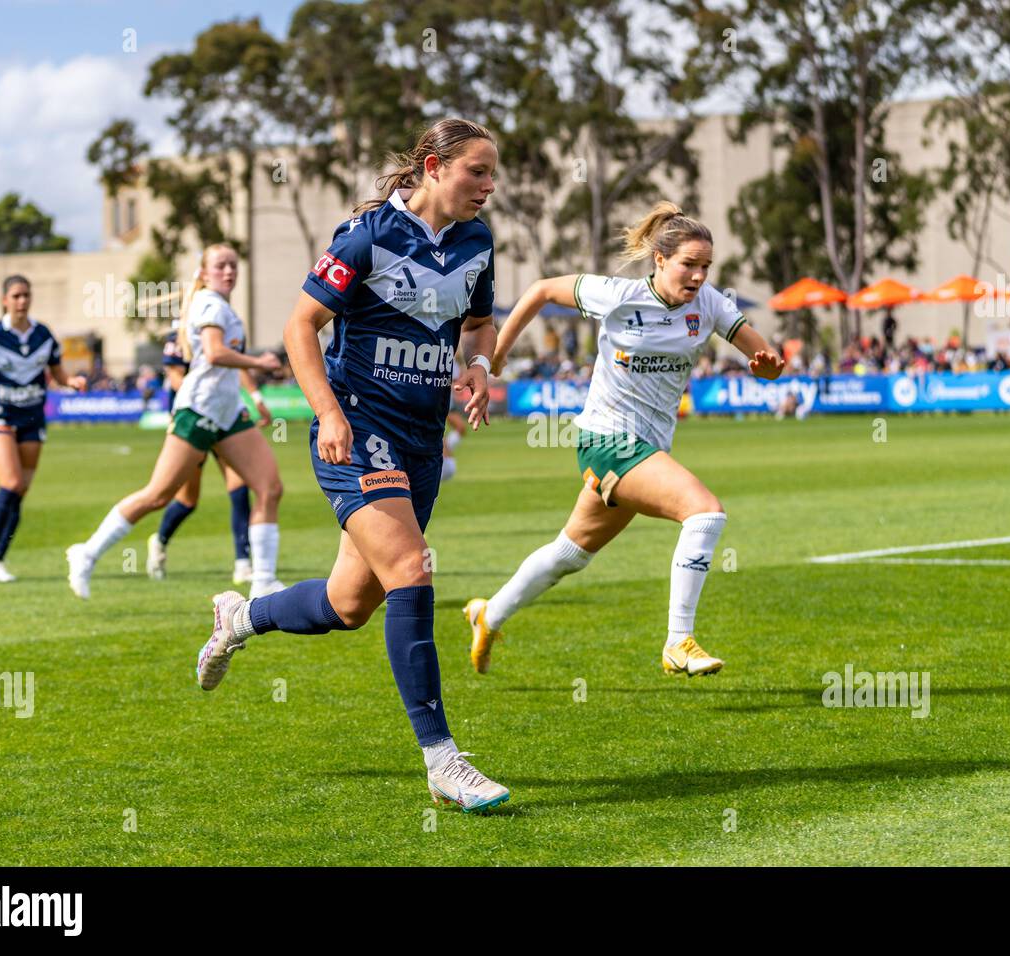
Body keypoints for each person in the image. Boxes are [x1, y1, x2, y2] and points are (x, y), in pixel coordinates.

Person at [192, 118, 510, 813]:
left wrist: (481, 365)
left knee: (349, 604)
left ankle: (240, 618)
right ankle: (443, 760)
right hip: (360, 430)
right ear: (433, 166)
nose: (488, 186)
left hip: (423, 440)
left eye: (492, 174)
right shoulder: (367, 236)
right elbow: (298, 326)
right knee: (411, 568)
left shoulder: (478, 242)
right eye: (476, 172)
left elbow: (481, 322)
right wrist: (329, 413)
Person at [463, 200, 784, 678]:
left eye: (705, 267)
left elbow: (765, 356)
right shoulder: (616, 295)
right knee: (705, 512)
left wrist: (770, 366)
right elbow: (540, 290)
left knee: (569, 555)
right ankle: (679, 642)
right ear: (659, 259)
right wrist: (497, 359)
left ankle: (488, 615)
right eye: (688, 265)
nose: (697, 276)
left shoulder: (709, 303)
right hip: (607, 439)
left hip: (647, 449)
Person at [65, 244, 285, 599]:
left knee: (269, 487)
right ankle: (86, 554)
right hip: (198, 409)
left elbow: (224, 360)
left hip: (227, 412)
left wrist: (253, 389)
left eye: (232, 265)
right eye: (220, 266)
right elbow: (214, 353)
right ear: (203, 272)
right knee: (157, 495)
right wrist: (259, 362)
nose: (228, 271)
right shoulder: (211, 303)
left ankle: (262, 579)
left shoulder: (219, 305)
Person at [0, 275, 86, 582]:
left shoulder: (43, 334)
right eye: (16, 296)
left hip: (32, 418)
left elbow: (56, 372)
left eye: (26, 295)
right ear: (5, 300)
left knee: (21, 491)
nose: (22, 301)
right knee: (12, 482)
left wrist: (71, 381)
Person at [146, 322, 272, 584]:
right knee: (187, 499)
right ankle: (159, 541)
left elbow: (236, 368)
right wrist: (206, 401)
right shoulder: (178, 338)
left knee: (239, 487)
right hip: (194, 422)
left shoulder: (222, 332)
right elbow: (175, 379)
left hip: (224, 421)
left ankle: (242, 563)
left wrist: (256, 398)